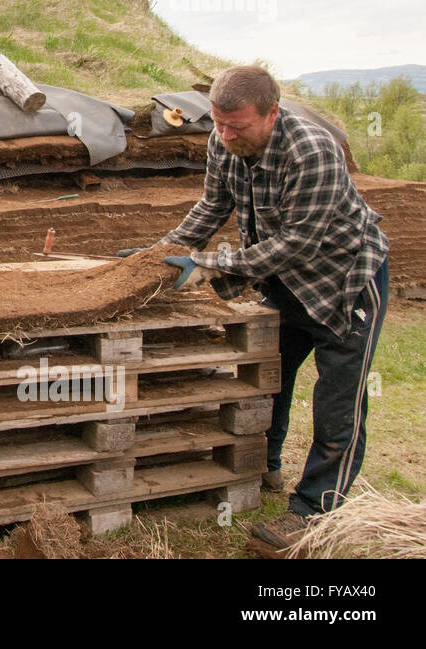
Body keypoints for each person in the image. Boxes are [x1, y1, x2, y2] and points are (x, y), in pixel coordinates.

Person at [149, 65, 389, 552]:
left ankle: (315, 509)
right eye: (218, 123)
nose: (224, 134)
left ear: (273, 112)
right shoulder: (224, 141)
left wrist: (210, 264)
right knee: (269, 377)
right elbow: (212, 207)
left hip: (344, 284)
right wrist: (157, 254)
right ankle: (265, 467)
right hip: (283, 284)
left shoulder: (313, 151)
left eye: (237, 126)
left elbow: (298, 243)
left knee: (337, 400)